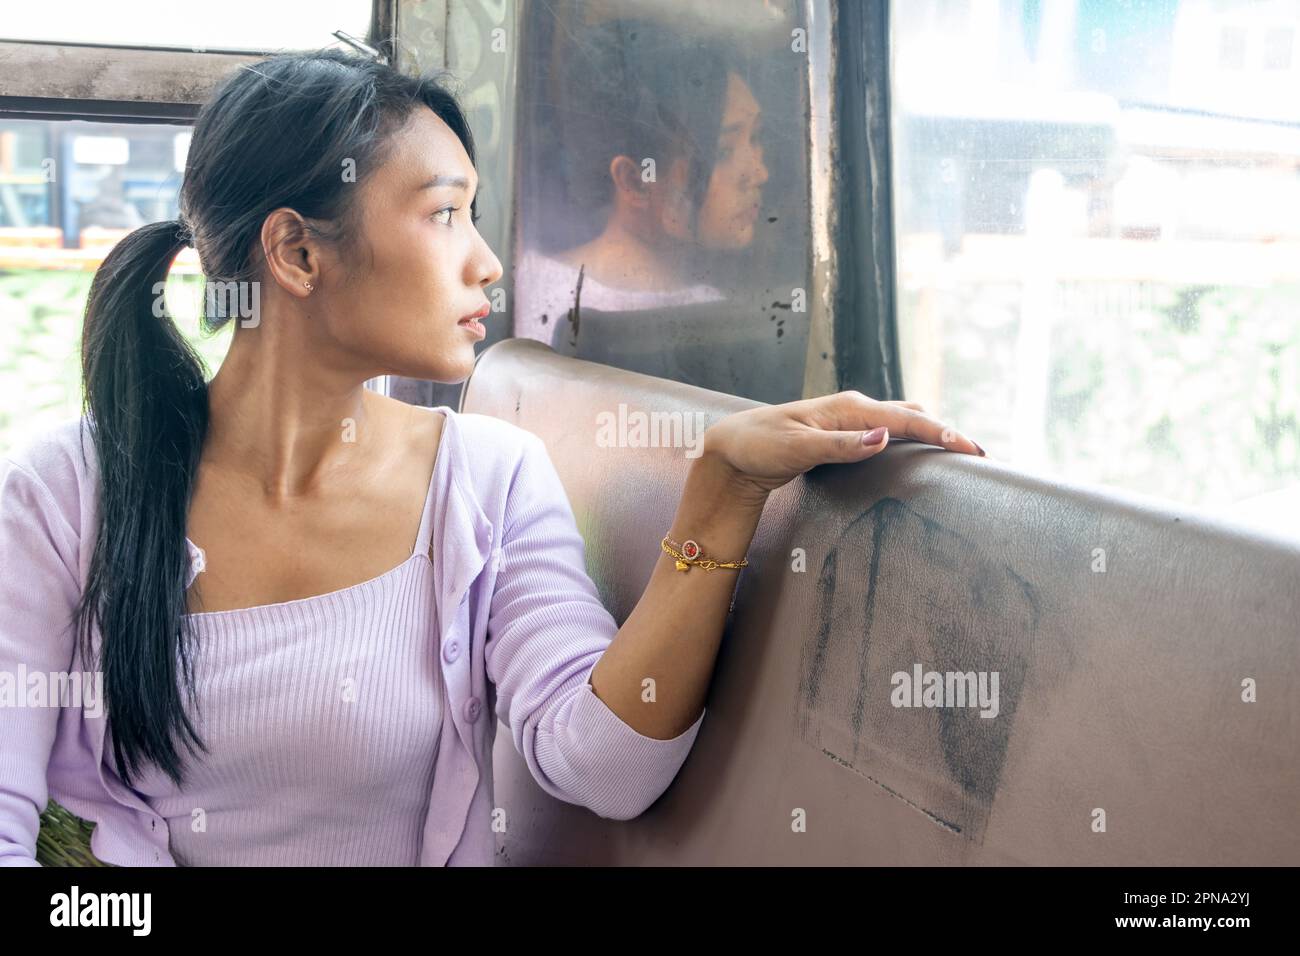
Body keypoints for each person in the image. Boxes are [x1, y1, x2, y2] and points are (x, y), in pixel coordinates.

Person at [0, 48, 984, 867]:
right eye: (442, 214)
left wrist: (719, 493)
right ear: (297, 254)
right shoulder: (62, 492)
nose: (487, 261)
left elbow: (601, 762)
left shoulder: (487, 479)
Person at [514, 19, 769, 344]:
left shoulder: (718, 312)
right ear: (634, 182)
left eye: (758, 137)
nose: (760, 173)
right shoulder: (536, 297)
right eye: (723, 151)